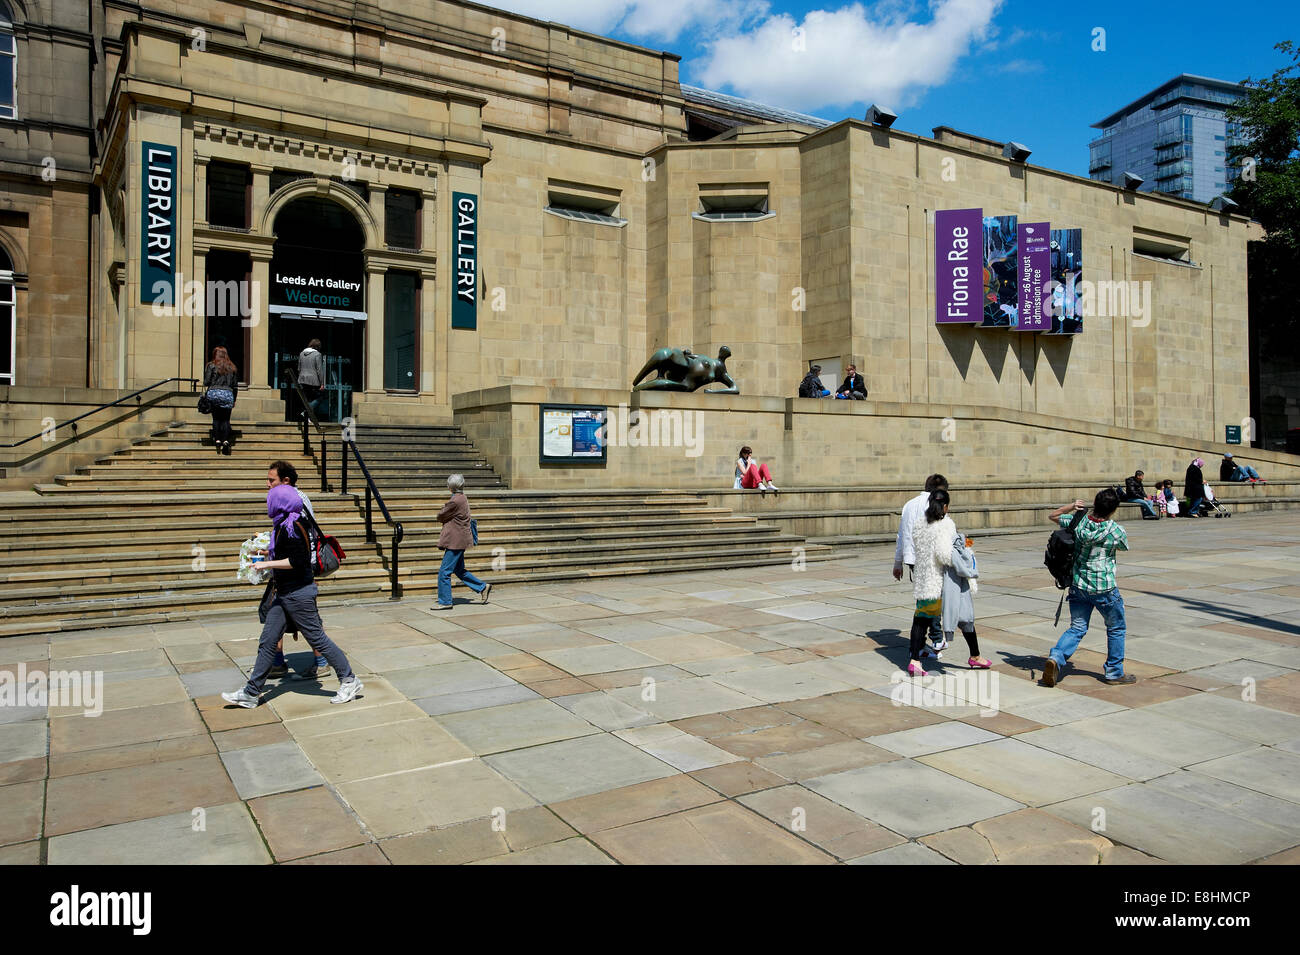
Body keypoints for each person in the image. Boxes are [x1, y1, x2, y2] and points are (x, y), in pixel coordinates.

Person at [221, 484, 362, 707]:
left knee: (317, 639)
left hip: (299, 593)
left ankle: (349, 680)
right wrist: (267, 552)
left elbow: (298, 560)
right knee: (268, 640)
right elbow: (291, 552)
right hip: (284, 592)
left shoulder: (292, 527)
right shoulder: (285, 523)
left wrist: (266, 563)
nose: (269, 502)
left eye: (271, 499)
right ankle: (251, 693)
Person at [1042, 488, 1135, 687]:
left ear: (1095, 503)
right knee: (1116, 628)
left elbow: (1053, 516)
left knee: (1077, 627)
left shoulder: (1079, 521)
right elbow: (1124, 546)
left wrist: (1072, 506)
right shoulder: (1115, 530)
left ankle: (1056, 658)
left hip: (1079, 585)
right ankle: (1114, 672)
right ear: (1113, 510)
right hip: (1105, 588)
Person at [265, 460, 327, 680]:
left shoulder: (296, 501)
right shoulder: (288, 499)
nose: (267, 484)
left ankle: (329, 664)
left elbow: (302, 538)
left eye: (271, 480)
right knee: (275, 613)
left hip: (297, 572)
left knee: (307, 618)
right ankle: (276, 662)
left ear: (286, 480)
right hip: (286, 570)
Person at [905, 489, 957, 677]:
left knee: (920, 619)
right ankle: (916, 660)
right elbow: (944, 554)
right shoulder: (945, 525)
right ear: (945, 506)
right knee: (925, 619)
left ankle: (915, 658)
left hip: (922, 577)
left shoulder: (920, 523)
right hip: (936, 580)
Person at [893, 474, 948, 648]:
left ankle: (923, 642)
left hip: (912, 558)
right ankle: (935, 638)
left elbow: (901, 535)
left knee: (925, 597)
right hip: (930, 558)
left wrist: (898, 562)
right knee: (931, 598)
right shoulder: (934, 505)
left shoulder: (909, 504)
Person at [932, 527, 991, 668]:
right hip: (949, 585)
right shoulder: (952, 548)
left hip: (944, 583)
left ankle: (974, 655)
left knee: (964, 618)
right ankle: (928, 647)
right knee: (961, 617)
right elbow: (963, 568)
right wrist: (972, 572)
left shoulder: (948, 545)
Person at [433, 473, 491, 609]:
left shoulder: (455, 501)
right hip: (460, 539)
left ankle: (445, 602)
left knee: (444, 572)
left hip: (455, 541)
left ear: (450, 486)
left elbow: (440, 516)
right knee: (459, 570)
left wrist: (442, 511)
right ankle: (482, 587)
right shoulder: (462, 497)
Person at [202, 346, 238, 455]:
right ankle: (226, 441)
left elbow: (206, 382)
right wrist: (234, 399)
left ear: (215, 354)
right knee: (226, 420)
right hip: (227, 394)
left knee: (216, 419)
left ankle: (217, 440)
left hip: (214, 394)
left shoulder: (211, 365)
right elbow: (235, 386)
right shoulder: (232, 367)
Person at [296, 339, 326, 420]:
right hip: (313, 381)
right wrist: (322, 383)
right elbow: (319, 370)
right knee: (320, 397)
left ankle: (307, 417)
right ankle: (306, 411)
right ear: (318, 347)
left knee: (307, 398)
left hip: (302, 379)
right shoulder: (317, 354)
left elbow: (299, 368)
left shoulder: (302, 354)